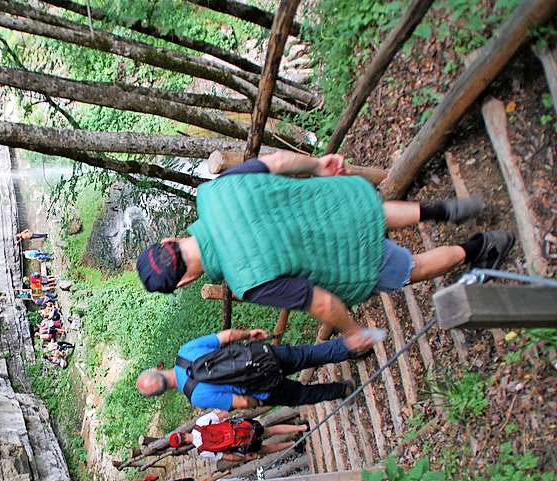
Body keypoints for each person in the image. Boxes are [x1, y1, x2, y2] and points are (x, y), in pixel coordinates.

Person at [135, 150, 514, 353]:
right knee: (375, 213)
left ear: (183, 280)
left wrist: (352, 332)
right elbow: (277, 162)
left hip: (349, 259)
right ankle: (448, 210)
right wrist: (318, 165)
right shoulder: (213, 192)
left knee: (410, 268)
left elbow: (321, 304)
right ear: (169, 241)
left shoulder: (245, 280)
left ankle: (479, 247)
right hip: (333, 205)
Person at [136, 327, 355, 409]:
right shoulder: (185, 352)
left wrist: (256, 402)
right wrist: (249, 334)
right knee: (308, 355)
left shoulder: (196, 396)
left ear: (162, 393)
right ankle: (354, 347)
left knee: (302, 395)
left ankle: (343, 389)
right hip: (262, 356)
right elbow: (227, 337)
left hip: (264, 388)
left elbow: (240, 401)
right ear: (157, 369)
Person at [168, 410, 307, 464]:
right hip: (244, 429)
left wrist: (245, 457)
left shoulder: (202, 451)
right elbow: (223, 414)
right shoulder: (200, 423)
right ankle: (302, 428)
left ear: (183, 445)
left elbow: (228, 457)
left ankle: (295, 443)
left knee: (266, 448)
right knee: (271, 430)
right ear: (183, 433)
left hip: (243, 444)